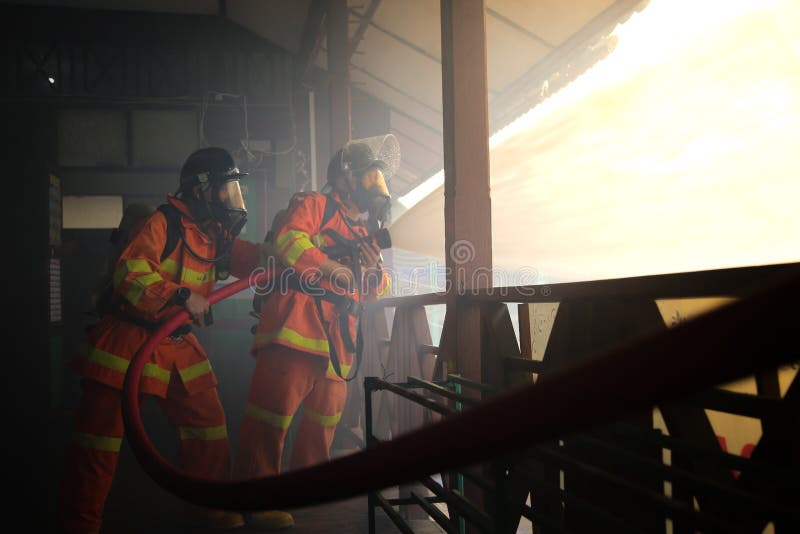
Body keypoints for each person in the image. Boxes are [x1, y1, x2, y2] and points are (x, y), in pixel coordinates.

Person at [60, 147, 259, 534]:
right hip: (128, 342)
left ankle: (209, 507)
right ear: (202, 190)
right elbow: (131, 275)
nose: (233, 201)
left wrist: (290, 257)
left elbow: (253, 260)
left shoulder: (213, 234)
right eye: (226, 190)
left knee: (208, 425)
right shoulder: (161, 223)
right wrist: (183, 295)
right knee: (97, 444)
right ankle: (79, 525)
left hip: (177, 344)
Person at [231, 137, 395, 530]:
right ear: (344, 178)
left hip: (337, 338)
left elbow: (378, 287)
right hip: (296, 326)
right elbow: (288, 240)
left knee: (324, 419)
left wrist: (371, 270)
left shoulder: (364, 230)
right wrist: (331, 267)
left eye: (379, 178)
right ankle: (256, 497)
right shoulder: (315, 206)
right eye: (369, 176)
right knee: (271, 417)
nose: (376, 185)